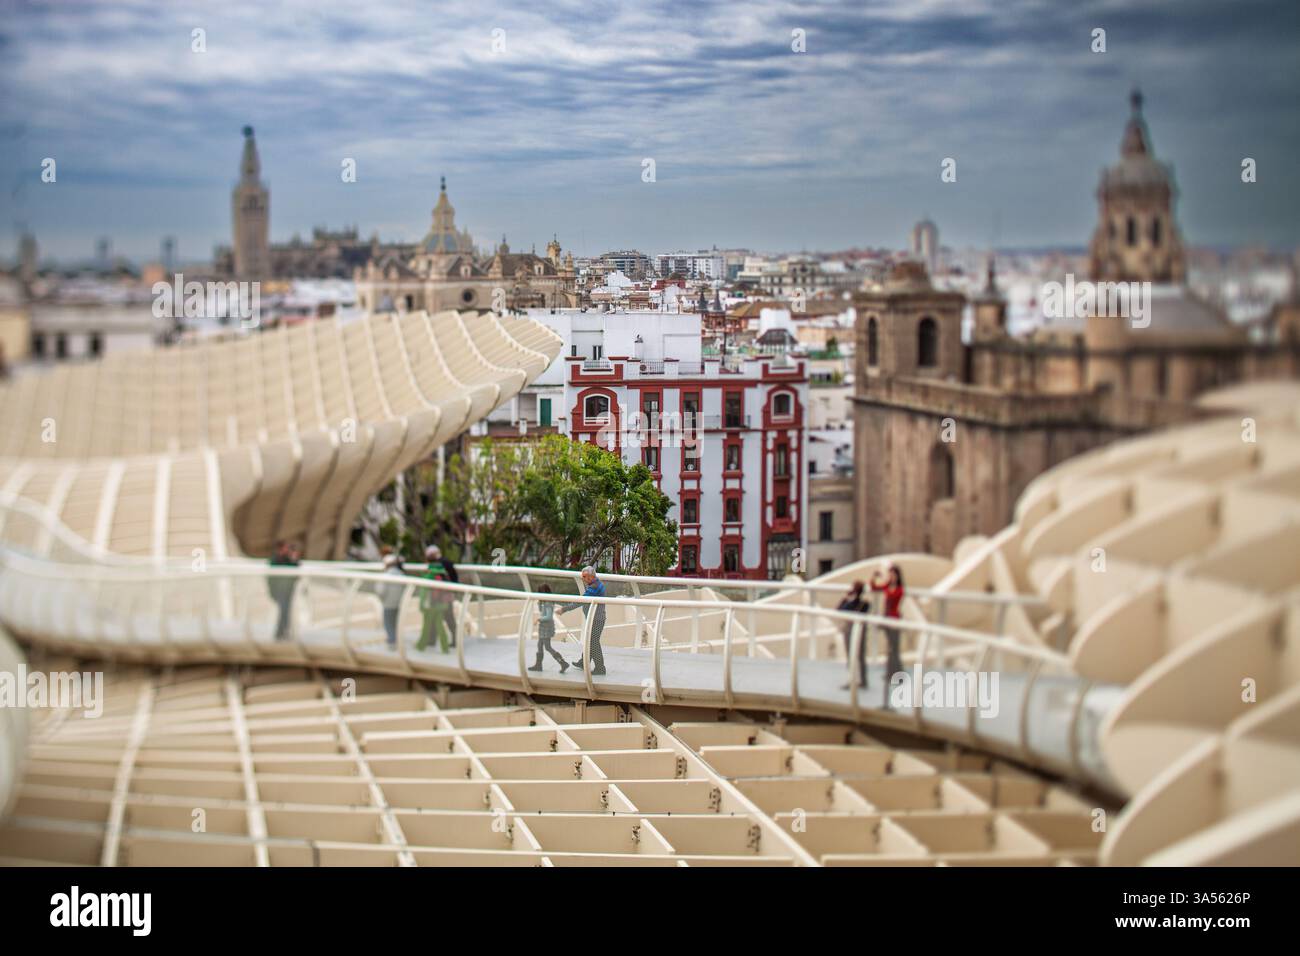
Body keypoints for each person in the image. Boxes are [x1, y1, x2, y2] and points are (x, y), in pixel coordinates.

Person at [559, 566, 607, 676]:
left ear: (591, 576)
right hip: (595, 619)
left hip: (596, 620)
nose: (583, 579)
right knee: (590, 641)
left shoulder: (594, 587)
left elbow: (580, 601)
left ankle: (600, 668)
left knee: (593, 643)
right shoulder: (595, 584)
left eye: (584, 577)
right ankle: (583, 662)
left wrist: (564, 609)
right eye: (582, 577)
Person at [870, 564, 906, 708]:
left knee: (894, 648)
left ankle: (898, 674)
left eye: (893, 574)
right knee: (889, 647)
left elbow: (893, 596)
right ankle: (891, 673)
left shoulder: (899, 589)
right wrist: (875, 577)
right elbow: (874, 587)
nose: (891, 577)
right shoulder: (888, 586)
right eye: (890, 574)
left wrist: (886, 585)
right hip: (887, 618)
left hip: (894, 619)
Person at [416, 546, 454, 653]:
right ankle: (445, 647)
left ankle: (420, 646)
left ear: (427, 559)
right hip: (442, 604)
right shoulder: (443, 572)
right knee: (440, 626)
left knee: (426, 626)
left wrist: (422, 606)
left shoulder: (429, 574)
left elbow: (424, 591)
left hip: (431, 605)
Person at [527, 585, 568, 673]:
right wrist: (539, 604)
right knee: (540, 645)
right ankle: (538, 665)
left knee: (548, 647)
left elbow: (549, 616)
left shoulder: (548, 603)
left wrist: (539, 619)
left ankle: (563, 663)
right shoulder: (545, 602)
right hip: (543, 627)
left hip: (546, 628)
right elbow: (543, 612)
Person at [836, 581, 868, 690]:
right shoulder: (866, 604)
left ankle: (852, 680)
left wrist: (845, 598)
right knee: (861, 656)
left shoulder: (850, 604)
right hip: (861, 631)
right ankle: (863, 680)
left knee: (851, 656)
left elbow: (838, 609)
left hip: (850, 630)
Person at [425, 544, 458, 648]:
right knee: (449, 618)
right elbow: (454, 578)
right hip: (447, 595)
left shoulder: (434, 565)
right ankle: (455, 640)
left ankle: (431, 640)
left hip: (437, 597)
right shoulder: (447, 563)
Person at [267, 540, 300, 640]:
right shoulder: (276, 559)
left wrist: (294, 560)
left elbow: (296, 572)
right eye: (286, 547)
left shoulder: (287, 559)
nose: (287, 549)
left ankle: (283, 632)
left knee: (285, 612)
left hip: (287, 590)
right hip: (279, 591)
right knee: (283, 611)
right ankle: (280, 633)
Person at [379, 553, 408, 648]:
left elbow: (381, 590)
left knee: (388, 623)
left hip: (388, 603)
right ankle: (396, 640)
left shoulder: (385, 575)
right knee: (395, 622)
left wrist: (383, 599)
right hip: (399, 603)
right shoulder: (402, 574)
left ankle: (392, 642)